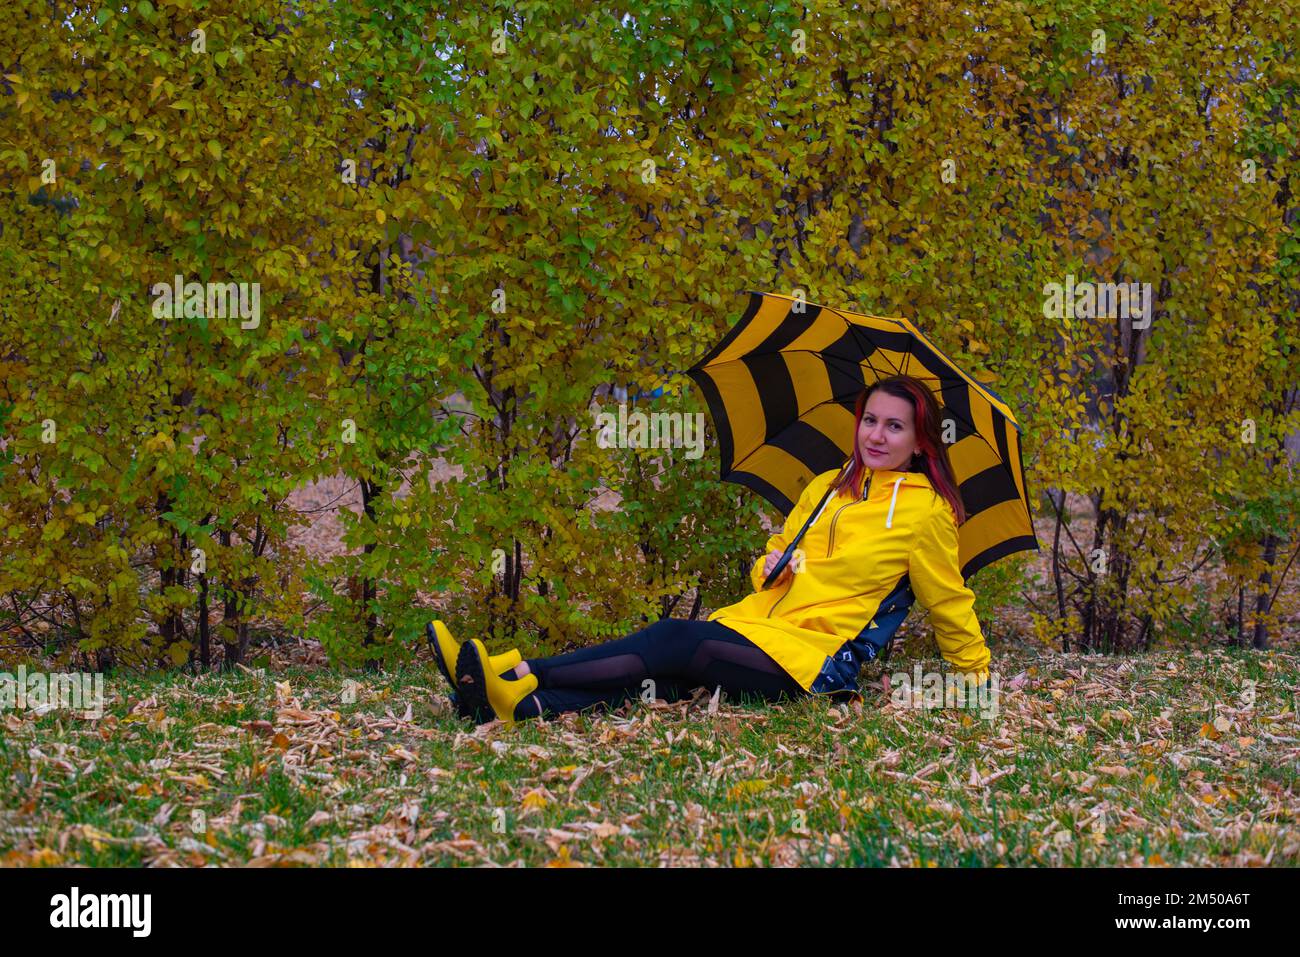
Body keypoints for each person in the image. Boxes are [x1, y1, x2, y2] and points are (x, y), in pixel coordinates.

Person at [428, 373, 992, 725]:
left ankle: (519, 670)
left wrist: (975, 677)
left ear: (921, 440)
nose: (875, 435)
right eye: (869, 419)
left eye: (894, 427)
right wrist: (770, 565)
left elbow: (948, 599)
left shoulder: (925, 512)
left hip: (816, 663)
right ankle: (516, 706)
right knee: (662, 682)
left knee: (674, 638)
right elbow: (773, 559)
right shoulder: (827, 486)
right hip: (761, 629)